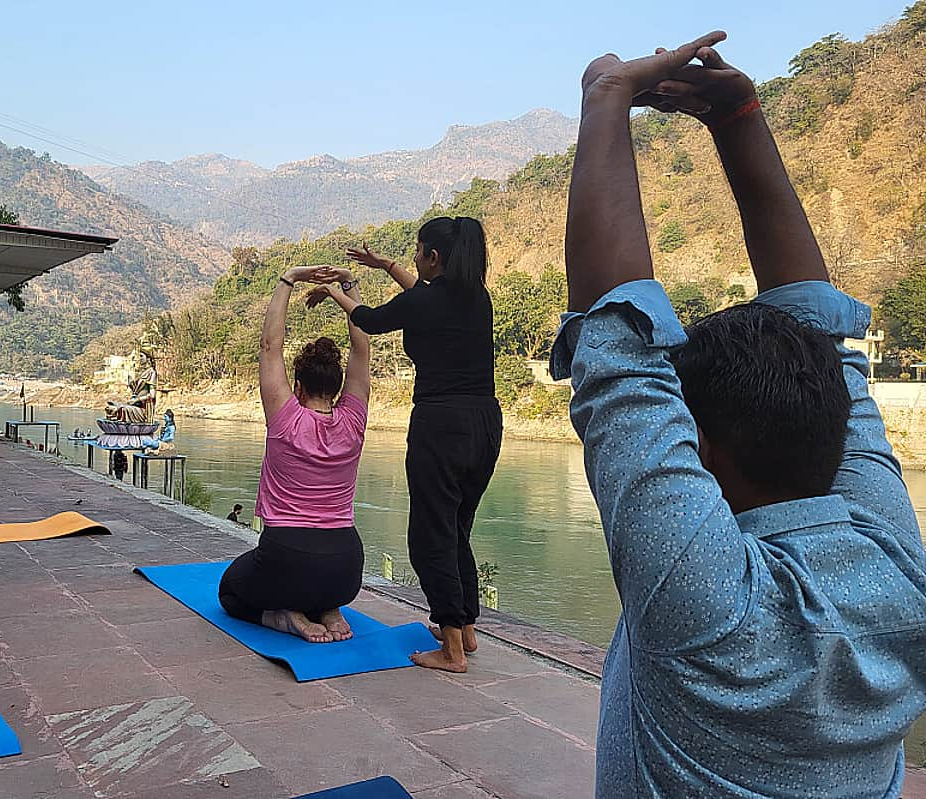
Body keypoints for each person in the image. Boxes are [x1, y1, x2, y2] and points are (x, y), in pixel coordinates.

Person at [560, 33, 926, 797]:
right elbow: (829, 346)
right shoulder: (898, 569)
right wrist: (740, 118)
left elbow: (619, 357)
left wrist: (606, 94)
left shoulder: (710, 606)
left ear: (701, 450)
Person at [316, 220, 501, 672]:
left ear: (433, 257)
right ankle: (466, 630)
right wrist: (386, 266)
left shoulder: (427, 299)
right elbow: (421, 294)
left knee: (429, 537)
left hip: (441, 426)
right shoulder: (476, 296)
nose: (414, 258)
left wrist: (340, 290)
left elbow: (370, 319)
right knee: (456, 527)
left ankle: (452, 651)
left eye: (417, 251)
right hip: (485, 423)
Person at [217, 265, 371, 643]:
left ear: (297, 387)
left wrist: (289, 278)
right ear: (337, 388)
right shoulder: (353, 421)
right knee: (317, 580)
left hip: (287, 557)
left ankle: (286, 616)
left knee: (229, 591)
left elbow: (270, 346)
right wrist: (346, 285)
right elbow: (362, 348)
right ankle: (329, 607)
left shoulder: (285, 417)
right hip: (346, 569)